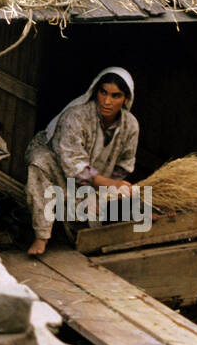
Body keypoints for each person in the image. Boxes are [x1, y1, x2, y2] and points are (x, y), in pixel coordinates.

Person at [25, 67, 138, 256]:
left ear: (126, 99)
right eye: (103, 93)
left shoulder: (131, 125)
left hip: (95, 183)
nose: (107, 101)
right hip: (60, 169)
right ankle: (41, 236)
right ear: (96, 92)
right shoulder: (76, 116)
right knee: (39, 162)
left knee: (84, 237)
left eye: (115, 96)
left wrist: (111, 189)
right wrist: (109, 184)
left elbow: (124, 163)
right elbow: (73, 163)